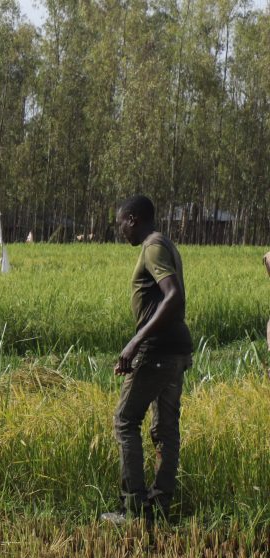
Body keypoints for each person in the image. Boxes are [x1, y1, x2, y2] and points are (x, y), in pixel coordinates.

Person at [103, 195, 192, 524]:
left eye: (121, 224)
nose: (121, 230)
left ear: (133, 219)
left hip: (156, 350)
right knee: (165, 428)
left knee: (125, 421)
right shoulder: (166, 244)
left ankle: (133, 507)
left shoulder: (153, 247)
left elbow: (173, 295)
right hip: (176, 351)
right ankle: (160, 506)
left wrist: (135, 342)